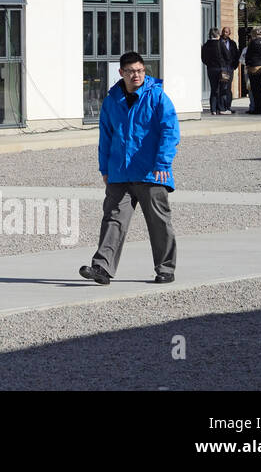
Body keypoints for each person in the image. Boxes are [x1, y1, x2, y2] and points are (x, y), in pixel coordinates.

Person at [80, 51, 178, 285]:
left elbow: (170, 131)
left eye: (140, 70)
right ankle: (102, 268)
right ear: (121, 72)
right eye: (132, 71)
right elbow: (106, 136)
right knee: (113, 219)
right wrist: (104, 168)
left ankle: (165, 268)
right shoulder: (112, 100)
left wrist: (163, 162)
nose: (137, 75)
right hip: (119, 172)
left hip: (152, 172)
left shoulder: (157, 97)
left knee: (159, 222)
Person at [200, 27, 238, 115]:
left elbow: (203, 58)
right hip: (221, 70)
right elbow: (228, 55)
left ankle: (213, 109)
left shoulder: (206, 45)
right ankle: (222, 109)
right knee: (222, 89)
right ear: (218, 34)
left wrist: (210, 64)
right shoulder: (220, 43)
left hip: (211, 69)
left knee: (213, 89)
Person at [242, 27, 261, 115]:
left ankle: (256, 109)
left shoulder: (253, 42)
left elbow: (248, 55)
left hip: (254, 68)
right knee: (260, 91)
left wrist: (248, 64)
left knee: (255, 90)